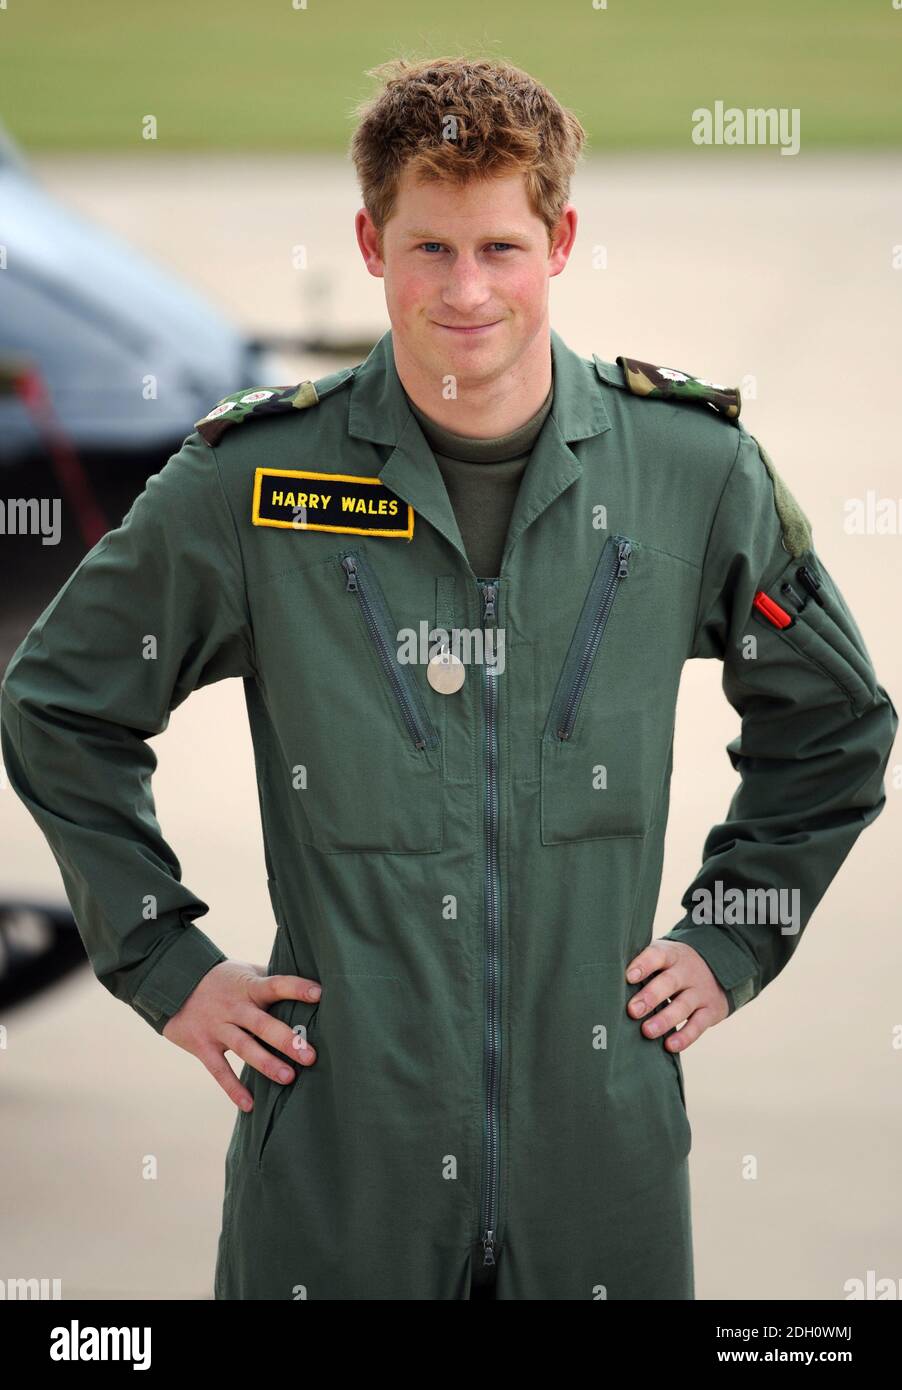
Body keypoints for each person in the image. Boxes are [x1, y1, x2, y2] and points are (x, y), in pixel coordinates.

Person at [1, 56, 896, 1302]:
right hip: (332, 1178)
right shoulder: (252, 485)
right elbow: (57, 706)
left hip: (601, 1173)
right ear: (369, 244)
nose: (465, 291)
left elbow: (837, 724)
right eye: (428, 249)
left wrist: (731, 936)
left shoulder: (692, 471)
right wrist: (166, 959)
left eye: (498, 248)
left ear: (559, 240)